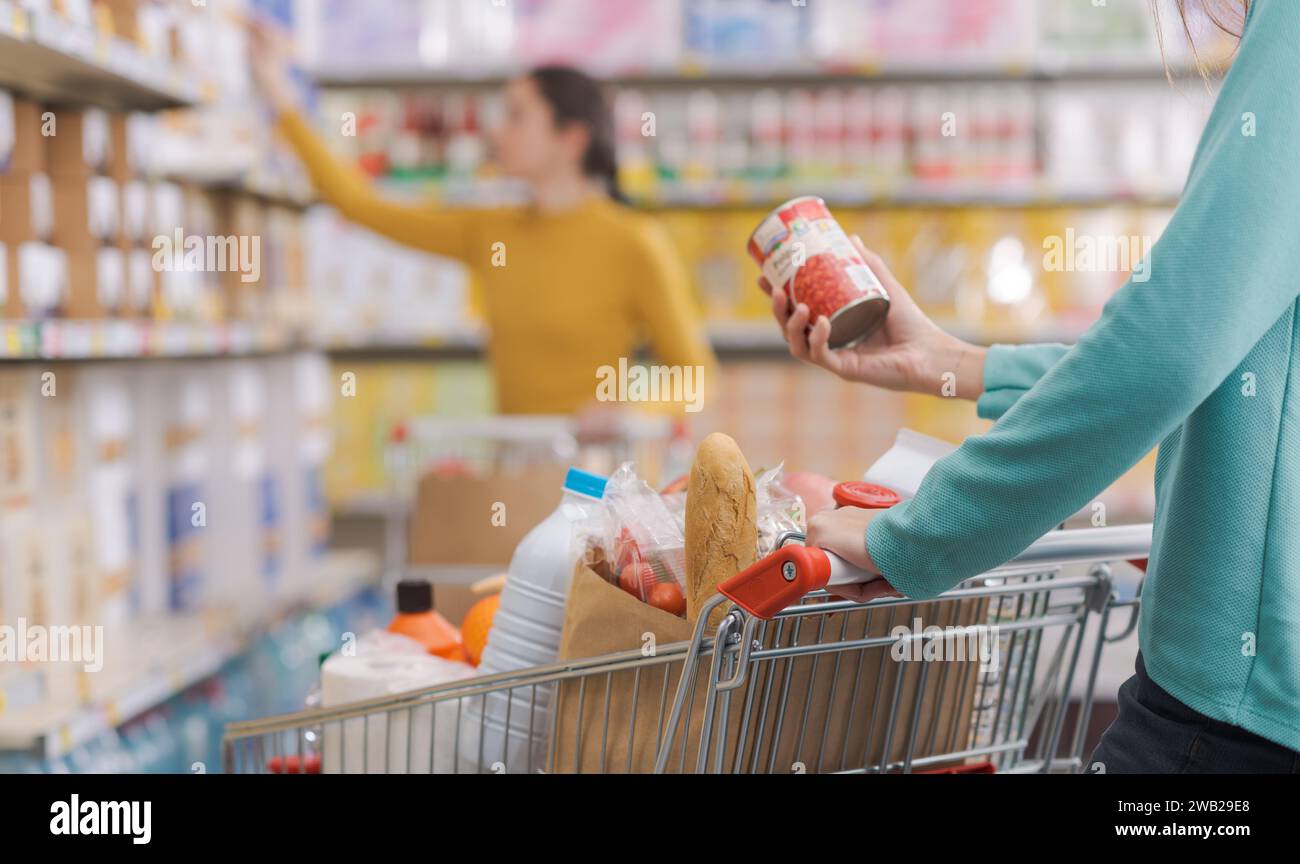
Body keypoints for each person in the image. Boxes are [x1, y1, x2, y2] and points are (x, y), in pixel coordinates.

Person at [778, 0, 1300, 773]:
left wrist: (923, 535)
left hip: (1232, 726)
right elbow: (1240, 366)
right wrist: (953, 363)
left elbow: (1170, 347)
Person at [248, 24, 715, 417]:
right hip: (512, 467)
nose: (496, 130)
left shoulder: (634, 241)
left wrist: (625, 407)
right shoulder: (489, 233)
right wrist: (276, 91)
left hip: (600, 480)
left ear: (571, 138)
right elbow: (359, 206)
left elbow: (696, 378)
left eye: (516, 116)